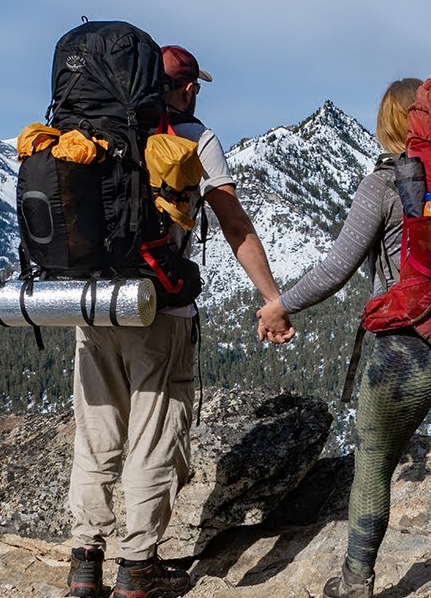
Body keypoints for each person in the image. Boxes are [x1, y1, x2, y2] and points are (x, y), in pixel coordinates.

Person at [257, 79, 431, 598]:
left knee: (374, 463)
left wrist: (279, 305)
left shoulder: (385, 184)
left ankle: (355, 584)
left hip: (406, 345)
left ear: (391, 125)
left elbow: (336, 268)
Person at [67, 45, 294, 598]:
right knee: (153, 437)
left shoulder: (88, 130)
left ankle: (84, 566)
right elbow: (234, 223)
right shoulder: (195, 138)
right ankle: (136, 568)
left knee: (95, 436)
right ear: (188, 88)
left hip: (91, 305)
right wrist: (271, 298)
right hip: (159, 310)